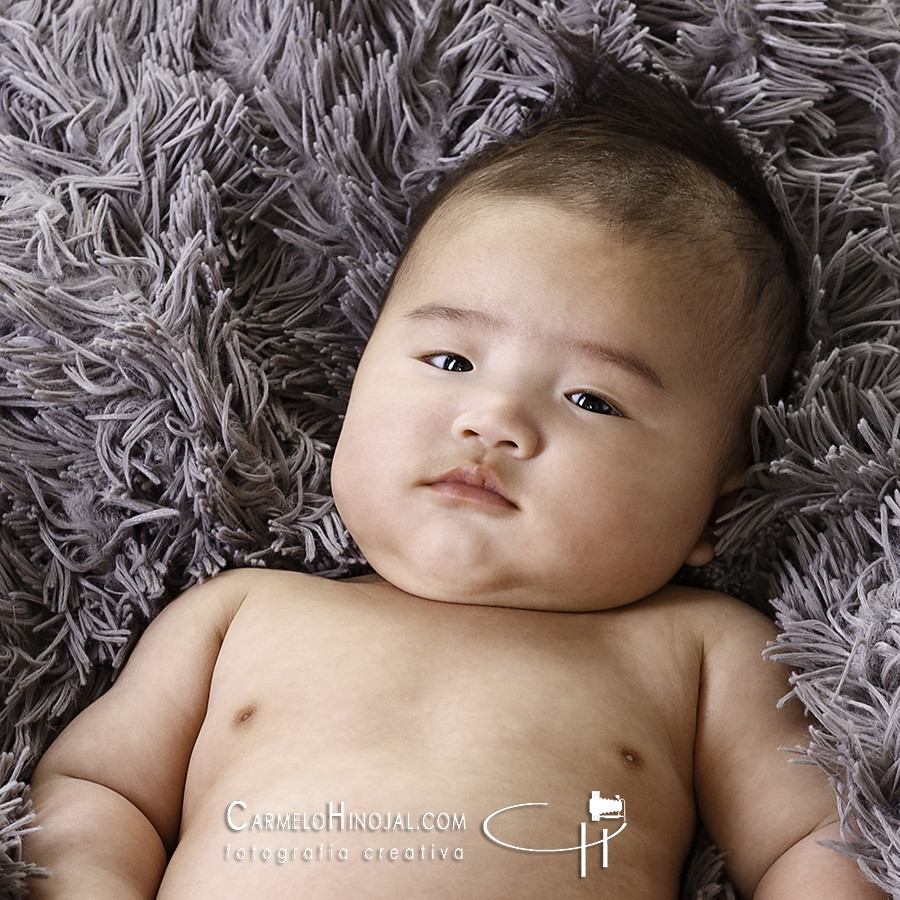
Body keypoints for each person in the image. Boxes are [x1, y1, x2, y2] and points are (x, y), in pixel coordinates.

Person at [23, 54, 886, 899]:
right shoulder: (239, 613)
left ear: (714, 503)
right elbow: (102, 790)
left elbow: (813, 840)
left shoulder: (699, 650)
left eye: (592, 398)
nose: (493, 418)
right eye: (449, 357)